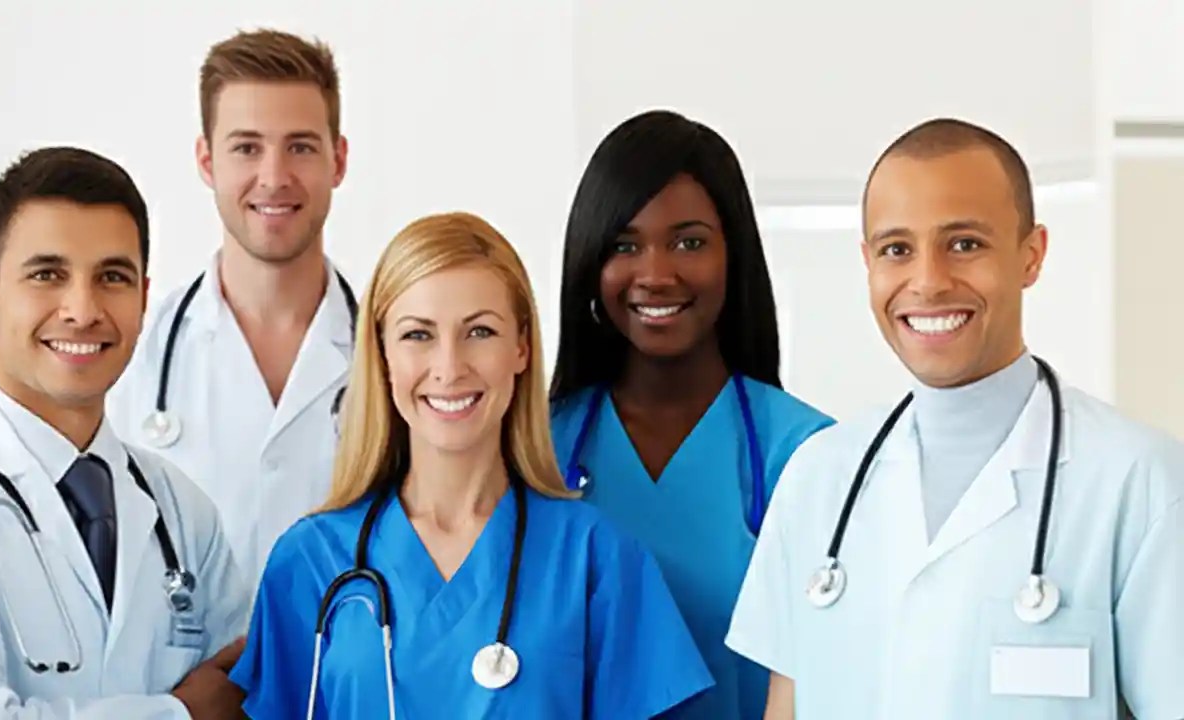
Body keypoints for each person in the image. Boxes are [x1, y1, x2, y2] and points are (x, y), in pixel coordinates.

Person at [725, 118, 1184, 719]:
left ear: (1031, 254)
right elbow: (784, 707)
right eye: (897, 250)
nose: (929, 281)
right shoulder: (818, 479)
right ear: (868, 264)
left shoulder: (1141, 484)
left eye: (964, 243)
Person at [228, 211, 713, 718]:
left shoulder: (594, 559)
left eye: (479, 332)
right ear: (381, 354)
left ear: (521, 348)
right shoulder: (311, 561)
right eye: (418, 335)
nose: (450, 368)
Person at [0, 147, 251, 717]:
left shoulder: (184, 515)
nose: (83, 309)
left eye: (111, 277)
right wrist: (180, 713)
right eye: (47, 275)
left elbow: (241, 702)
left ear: (143, 297)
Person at [548, 109, 833, 719]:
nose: (655, 273)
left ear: (735, 255)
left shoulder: (809, 456)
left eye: (689, 242)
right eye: (625, 245)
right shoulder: (536, 450)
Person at [108, 28, 358, 594]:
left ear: (338, 160)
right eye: (247, 147)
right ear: (206, 160)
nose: (274, 177)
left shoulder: (396, 360)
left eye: (301, 146)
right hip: (183, 681)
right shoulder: (135, 359)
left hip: (347, 680)